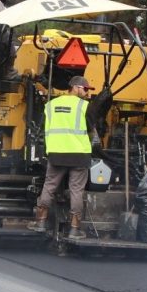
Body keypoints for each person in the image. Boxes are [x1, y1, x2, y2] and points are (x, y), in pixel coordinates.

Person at [27, 75, 95, 245]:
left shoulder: (51, 105)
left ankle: (40, 222)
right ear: (76, 87)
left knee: (49, 187)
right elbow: (92, 130)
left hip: (57, 153)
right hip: (79, 155)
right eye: (85, 89)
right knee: (76, 191)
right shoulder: (84, 106)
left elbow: (44, 128)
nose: (87, 93)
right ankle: (74, 229)